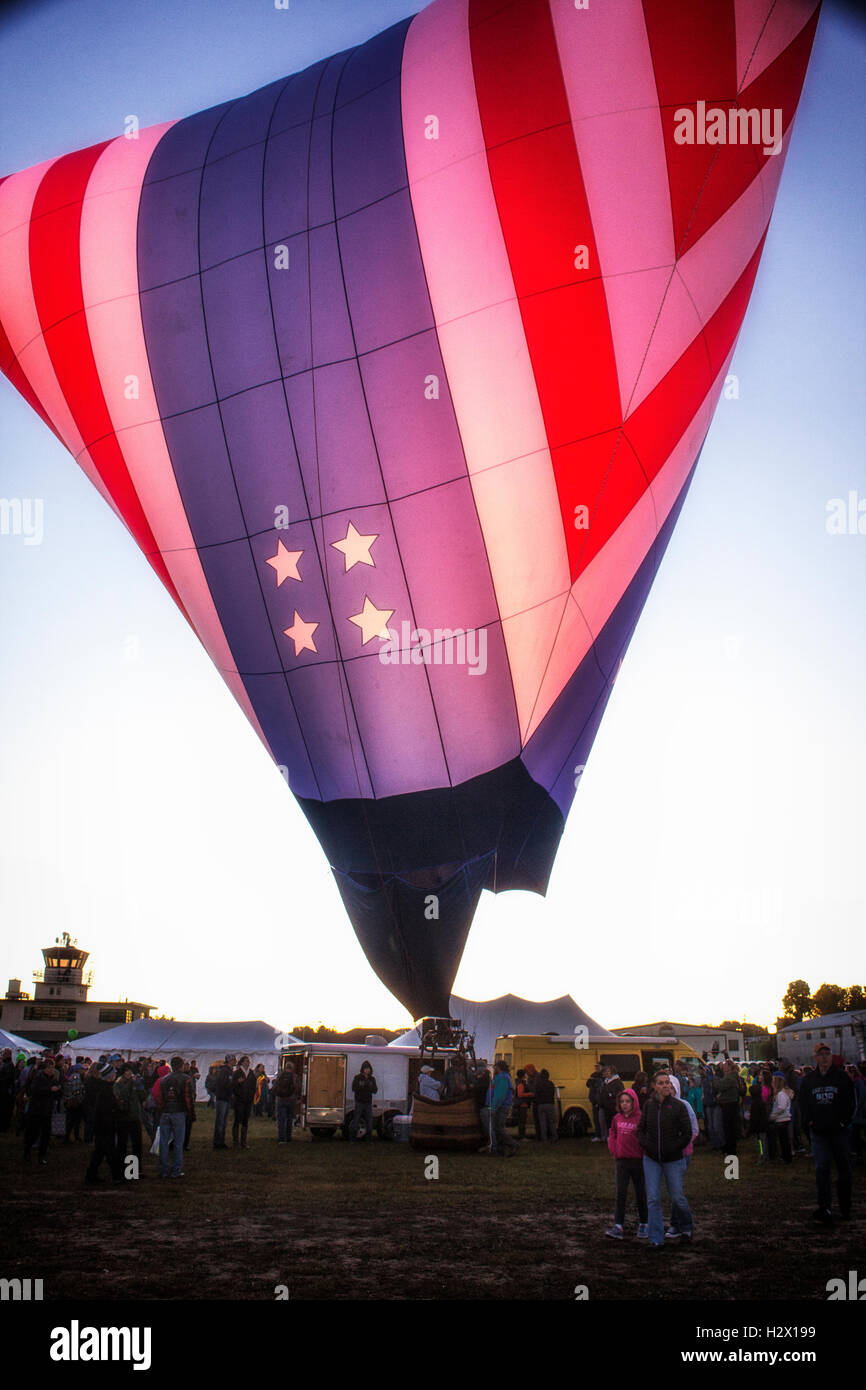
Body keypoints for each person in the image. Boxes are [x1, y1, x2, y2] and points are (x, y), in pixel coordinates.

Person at [799, 1042, 856, 1225]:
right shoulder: (809, 1080)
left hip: (839, 1131)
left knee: (843, 1170)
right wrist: (809, 1121)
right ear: (815, 1058)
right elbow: (803, 1103)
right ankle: (825, 1207)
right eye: (820, 1054)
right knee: (822, 1169)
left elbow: (850, 1103)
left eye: (827, 1054)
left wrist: (843, 1122)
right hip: (819, 1132)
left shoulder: (842, 1078)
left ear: (831, 1057)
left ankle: (845, 1207)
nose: (824, 1057)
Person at [637, 1072, 693, 1249]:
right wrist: (647, 1145)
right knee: (653, 1198)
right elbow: (641, 1130)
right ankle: (656, 1237)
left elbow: (687, 1133)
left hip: (673, 1159)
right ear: (654, 1086)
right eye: (661, 1083)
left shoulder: (678, 1107)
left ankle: (686, 1227)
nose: (666, 1086)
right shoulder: (648, 1106)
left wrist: (674, 1147)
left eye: (667, 1082)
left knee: (677, 1197)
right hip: (652, 1158)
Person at [606, 1088, 648, 1240]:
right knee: (621, 1193)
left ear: (634, 1102)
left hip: (638, 1161)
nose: (624, 1104)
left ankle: (644, 1223)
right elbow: (613, 1133)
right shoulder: (617, 1118)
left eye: (628, 1101)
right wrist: (614, 1149)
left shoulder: (640, 1118)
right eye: (622, 1101)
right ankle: (618, 1225)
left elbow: (645, 1137)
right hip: (622, 1161)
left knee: (641, 1193)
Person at [84, 1064, 123, 1184]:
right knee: (110, 1150)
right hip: (105, 1124)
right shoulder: (106, 1090)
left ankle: (91, 1175)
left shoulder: (102, 1087)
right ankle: (117, 1176)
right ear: (110, 1076)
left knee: (99, 1151)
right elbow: (108, 1108)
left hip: (101, 1123)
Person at [157, 1057, 191, 1178]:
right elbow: (187, 1098)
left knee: (164, 1142)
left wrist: (161, 1110)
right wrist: (190, 1112)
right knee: (178, 1143)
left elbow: (160, 1098)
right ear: (181, 1066)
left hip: (166, 1111)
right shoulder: (186, 1079)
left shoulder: (163, 1080)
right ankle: (176, 1170)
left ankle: (164, 1170)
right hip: (179, 1112)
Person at [23, 1059, 61, 1164]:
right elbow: (35, 1091)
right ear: (45, 1068)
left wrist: (57, 1091)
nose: (51, 1069)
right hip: (36, 1109)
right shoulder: (38, 1077)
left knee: (46, 1134)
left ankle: (42, 1155)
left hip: (47, 1110)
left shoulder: (54, 1078)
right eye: (49, 1067)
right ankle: (27, 1150)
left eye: (52, 1067)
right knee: (33, 1133)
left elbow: (57, 1093)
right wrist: (50, 1089)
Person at [114, 1061, 144, 1168]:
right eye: (127, 1070)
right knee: (122, 1145)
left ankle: (135, 1171)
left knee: (137, 1145)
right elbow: (121, 1096)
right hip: (123, 1118)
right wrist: (130, 1084)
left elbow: (142, 1098)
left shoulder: (135, 1083)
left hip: (134, 1117)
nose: (129, 1073)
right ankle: (121, 1169)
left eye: (131, 1070)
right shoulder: (118, 1083)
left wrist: (140, 1087)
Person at [487, 1060, 518, 1157]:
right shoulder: (501, 1077)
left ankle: (513, 1144)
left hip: (501, 1107)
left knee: (499, 1128)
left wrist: (493, 1108)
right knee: (497, 1128)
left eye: (495, 1066)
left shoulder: (502, 1078)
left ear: (499, 1067)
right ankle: (500, 1150)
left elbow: (499, 1095)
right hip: (500, 1106)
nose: (494, 1068)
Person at [713, 1060, 741, 1156]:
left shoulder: (731, 1077)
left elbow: (720, 1086)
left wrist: (715, 1079)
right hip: (728, 1103)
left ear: (729, 1067)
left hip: (729, 1104)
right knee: (728, 1127)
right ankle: (729, 1147)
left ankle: (731, 1149)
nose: (723, 1067)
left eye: (725, 1066)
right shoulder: (730, 1076)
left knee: (729, 1127)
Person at [767, 1074, 793, 1164]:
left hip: (782, 1119)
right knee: (783, 1140)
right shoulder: (780, 1094)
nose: (772, 1083)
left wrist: (773, 1115)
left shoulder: (781, 1094)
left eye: (773, 1082)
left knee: (784, 1140)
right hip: (781, 1119)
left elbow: (781, 1107)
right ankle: (785, 1156)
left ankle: (786, 1158)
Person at [232, 1056, 256, 1149]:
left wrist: (251, 1096)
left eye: (249, 1061)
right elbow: (233, 1085)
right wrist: (238, 1083)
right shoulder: (237, 1073)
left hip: (248, 1100)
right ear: (242, 1062)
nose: (248, 1063)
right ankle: (235, 1141)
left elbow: (253, 1086)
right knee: (237, 1120)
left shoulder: (250, 1073)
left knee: (245, 1120)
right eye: (246, 1061)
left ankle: (243, 1141)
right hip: (239, 1100)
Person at [350, 1061, 377, 1141]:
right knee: (356, 1120)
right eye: (365, 1069)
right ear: (362, 1069)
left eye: (368, 1069)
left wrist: (369, 1086)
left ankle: (369, 1139)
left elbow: (375, 1090)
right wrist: (362, 1086)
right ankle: (352, 1139)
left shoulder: (372, 1079)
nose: (367, 1070)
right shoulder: (357, 1078)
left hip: (368, 1103)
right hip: (359, 1102)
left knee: (369, 1121)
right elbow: (354, 1088)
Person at [213, 1054, 235, 1149]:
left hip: (226, 1098)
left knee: (223, 1121)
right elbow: (222, 1083)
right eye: (233, 1060)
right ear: (229, 1061)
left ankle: (221, 1140)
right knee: (220, 1121)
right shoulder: (224, 1071)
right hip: (222, 1098)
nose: (235, 1061)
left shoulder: (229, 1071)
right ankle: (218, 1142)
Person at [273, 1063, 299, 1143]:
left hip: (281, 1099)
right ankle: (288, 1137)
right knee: (289, 1119)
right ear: (292, 1068)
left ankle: (281, 1138)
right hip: (291, 1099)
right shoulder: (294, 1076)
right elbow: (297, 1088)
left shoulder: (280, 1075)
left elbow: (275, 1086)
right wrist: (297, 1098)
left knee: (281, 1119)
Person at [534, 1068, 558, 1142]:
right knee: (552, 1122)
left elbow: (536, 1094)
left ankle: (544, 1138)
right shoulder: (551, 1083)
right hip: (550, 1104)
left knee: (542, 1122)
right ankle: (554, 1137)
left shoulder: (538, 1084)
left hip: (541, 1105)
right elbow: (553, 1093)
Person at [587, 1062, 605, 1142]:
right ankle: (598, 1135)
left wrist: (596, 1081)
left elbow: (602, 1086)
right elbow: (588, 1084)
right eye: (596, 1067)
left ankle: (604, 1136)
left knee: (602, 1119)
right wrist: (591, 1080)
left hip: (601, 1101)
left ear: (602, 1067)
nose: (596, 1068)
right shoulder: (593, 1074)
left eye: (598, 1066)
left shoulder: (604, 1075)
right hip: (594, 1100)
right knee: (596, 1119)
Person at [0, 1048, 16, 1132]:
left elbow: (8, 1078)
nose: (2, 1054)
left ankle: (4, 1127)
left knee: (5, 1110)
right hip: (4, 1091)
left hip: (6, 1092)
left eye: (4, 1053)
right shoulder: (5, 1063)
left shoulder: (9, 1064)